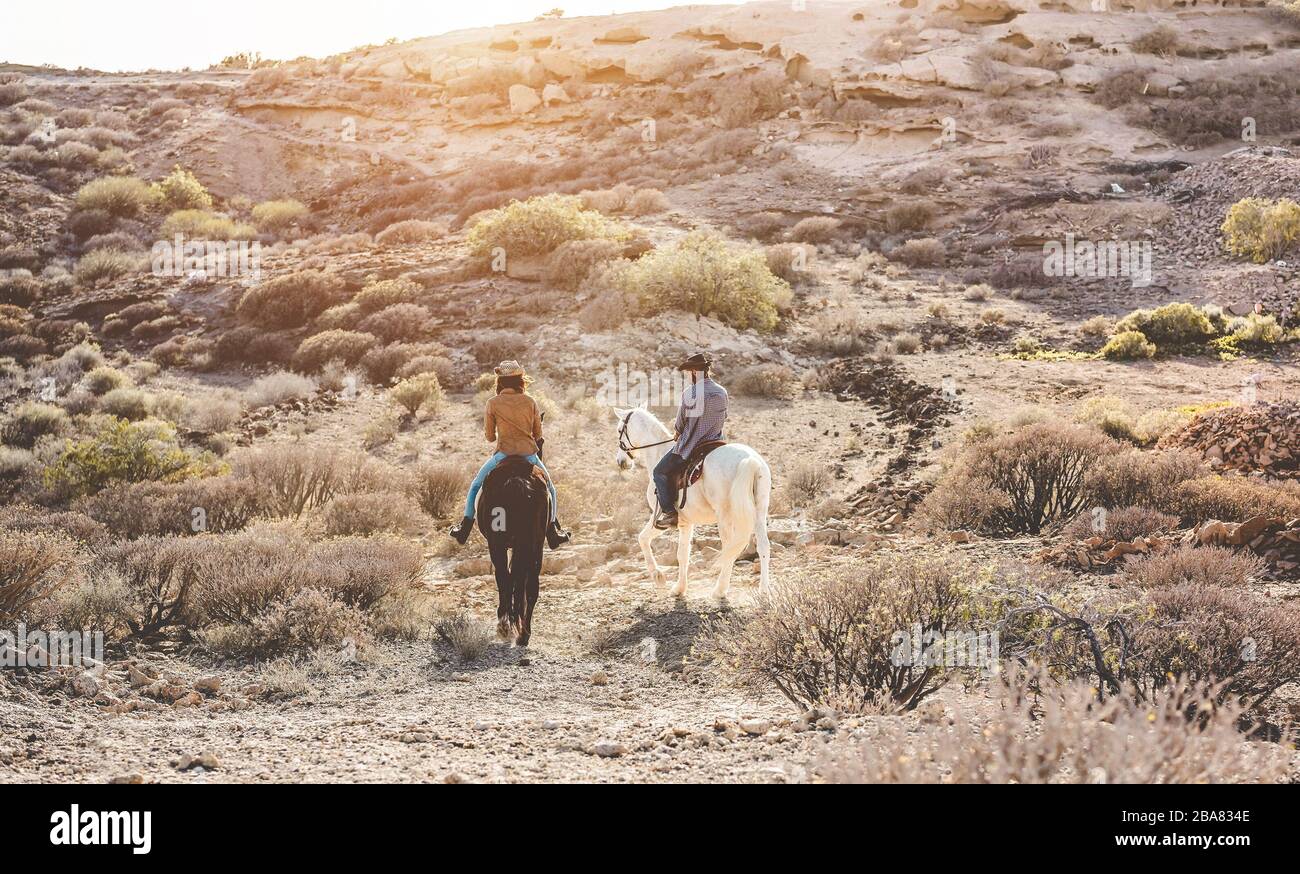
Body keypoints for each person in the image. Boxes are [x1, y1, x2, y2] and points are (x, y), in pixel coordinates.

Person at [448, 361, 570, 548]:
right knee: (551, 489)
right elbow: (538, 434)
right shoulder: (530, 401)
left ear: (501, 382)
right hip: (529, 455)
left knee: (475, 486)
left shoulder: (492, 403)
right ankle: (553, 532)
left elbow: (489, 437)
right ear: (520, 380)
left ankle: (464, 529)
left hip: (502, 454)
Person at [653, 352, 728, 530]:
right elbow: (724, 416)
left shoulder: (691, 392)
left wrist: (677, 433)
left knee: (659, 472)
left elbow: (681, 423)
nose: (689, 375)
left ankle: (670, 513)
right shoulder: (721, 392)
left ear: (694, 371)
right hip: (717, 443)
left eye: (689, 372)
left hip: (692, 445)